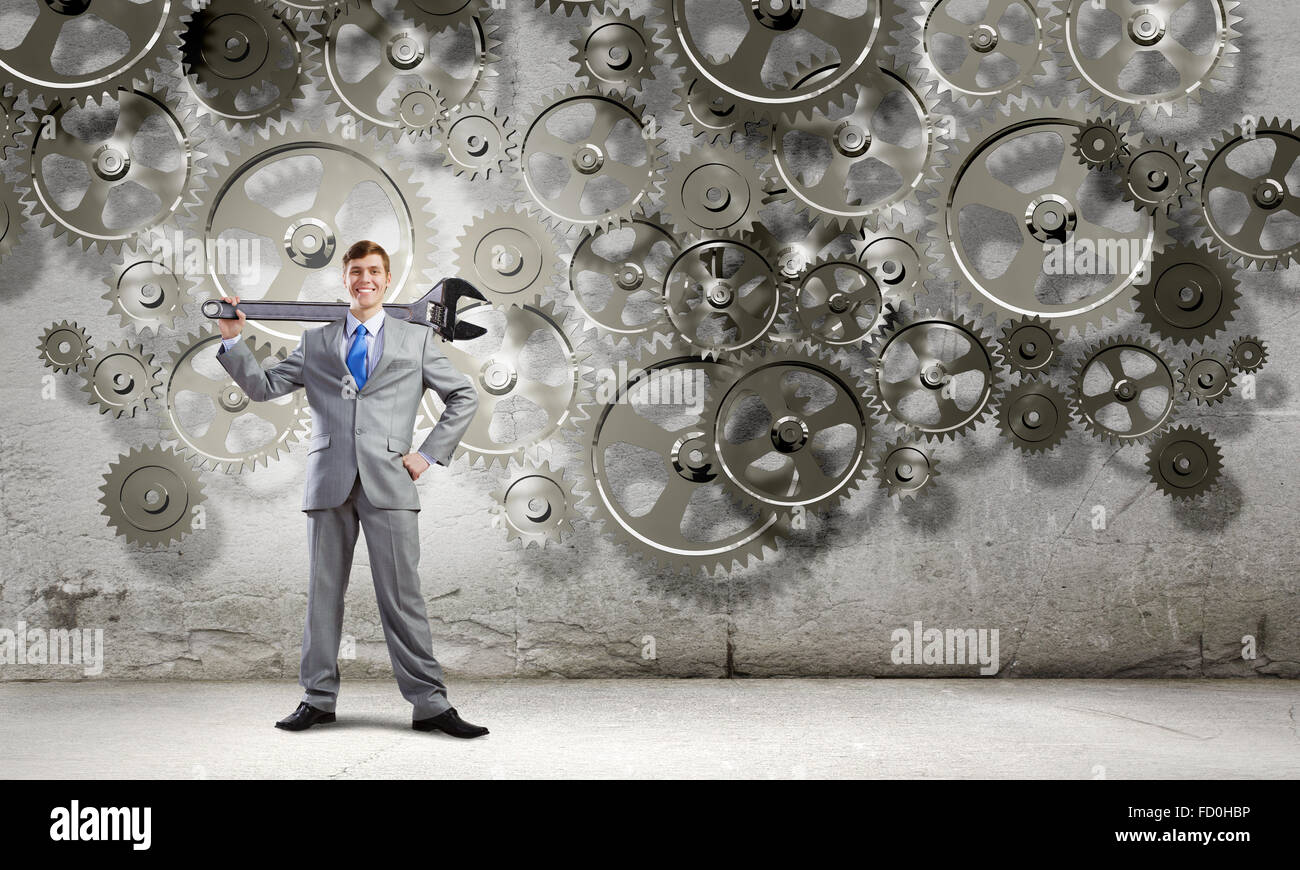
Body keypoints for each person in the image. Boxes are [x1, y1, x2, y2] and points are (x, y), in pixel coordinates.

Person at [215, 239, 487, 738]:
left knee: (403, 597)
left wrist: (426, 454)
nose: (365, 279)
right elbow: (264, 387)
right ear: (346, 279)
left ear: (387, 281)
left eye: (375, 272)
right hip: (329, 484)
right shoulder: (317, 342)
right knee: (323, 595)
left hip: (390, 482)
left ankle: (430, 705)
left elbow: (464, 395)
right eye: (357, 271)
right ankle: (317, 699)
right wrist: (234, 340)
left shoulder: (416, 339)